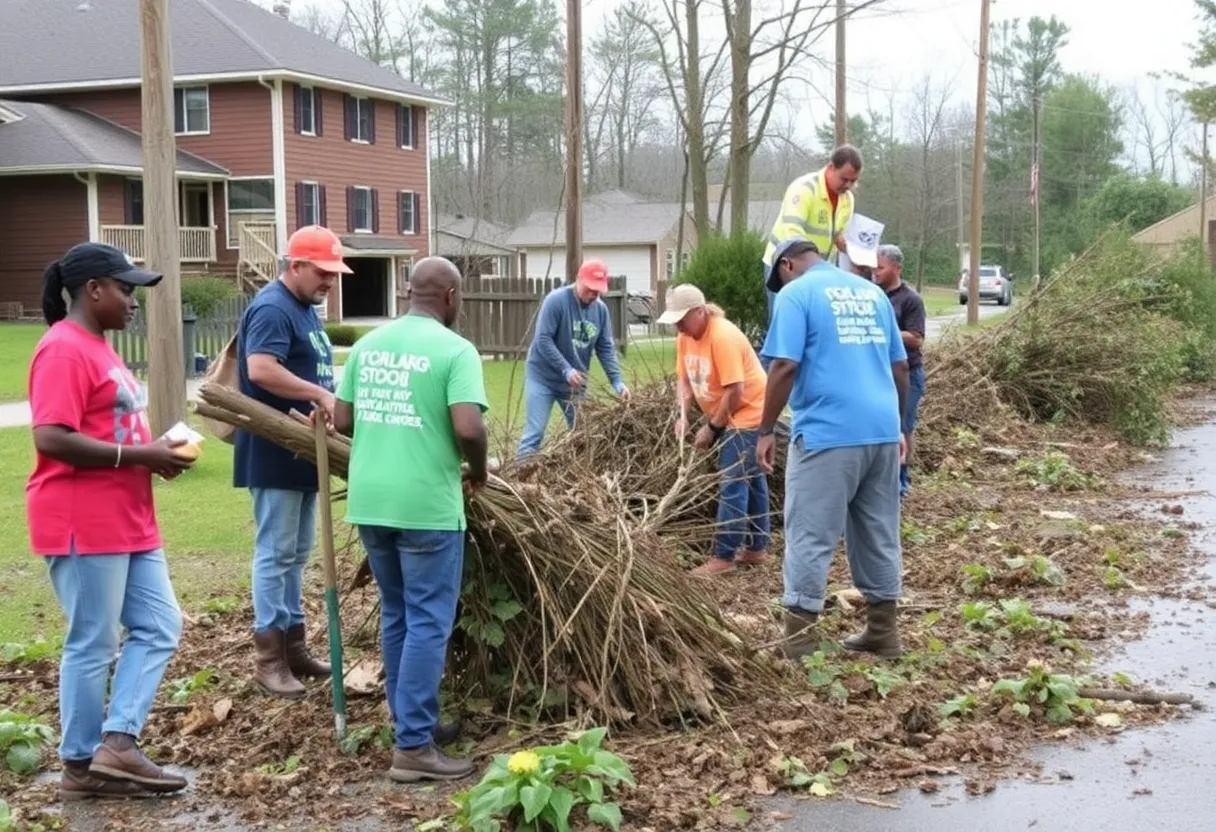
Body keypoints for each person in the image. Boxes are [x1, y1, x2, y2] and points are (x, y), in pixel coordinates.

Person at [27, 242, 193, 800]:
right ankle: (79, 766)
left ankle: (117, 743)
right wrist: (141, 457)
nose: (133, 300)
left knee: (160, 625)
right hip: (83, 518)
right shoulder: (63, 349)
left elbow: (114, 428)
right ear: (93, 289)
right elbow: (52, 436)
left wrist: (157, 453)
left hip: (129, 517)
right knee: (93, 640)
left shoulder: (100, 348)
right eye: (126, 289)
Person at [334, 257, 488, 782]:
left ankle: (409, 723)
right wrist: (480, 471)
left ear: (408, 293)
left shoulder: (369, 344)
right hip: (426, 504)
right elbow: (468, 427)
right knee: (427, 620)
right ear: (449, 296)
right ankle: (415, 747)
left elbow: (342, 419)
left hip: (371, 500)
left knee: (398, 613)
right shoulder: (456, 350)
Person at [756, 242, 910, 661]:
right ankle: (883, 632)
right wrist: (899, 426)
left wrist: (766, 429)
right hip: (880, 432)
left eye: (780, 276)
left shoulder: (796, 294)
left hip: (828, 433)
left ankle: (798, 641)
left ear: (787, 265)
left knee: (809, 532)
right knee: (878, 529)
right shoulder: (872, 292)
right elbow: (899, 366)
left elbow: (784, 366)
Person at [234, 225, 350, 698]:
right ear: (295, 265)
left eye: (333, 274)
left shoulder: (301, 308)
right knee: (276, 551)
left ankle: (294, 645)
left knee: (297, 553)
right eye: (322, 273)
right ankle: (270, 658)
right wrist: (320, 392)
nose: (330, 282)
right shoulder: (271, 307)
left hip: (303, 447)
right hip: (275, 447)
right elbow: (259, 369)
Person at [660, 284, 771, 577]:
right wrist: (682, 415)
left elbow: (736, 390)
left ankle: (723, 557)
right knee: (751, 477)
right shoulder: (686, 337)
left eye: (681, 320)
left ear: (700, 311)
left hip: (749, 410)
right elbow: (684, 380)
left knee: (732, 481)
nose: (678, 327)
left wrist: (711, 428)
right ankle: (757, 547)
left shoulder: (722, 337)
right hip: (727, 411)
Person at [517, 259, 632, 458]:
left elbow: (605, 348)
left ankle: (578, 481)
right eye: (590, 289)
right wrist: (565, 368)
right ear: (578, 280)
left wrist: (617, 381)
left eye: (598, 291)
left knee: (586, 433)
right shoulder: (556, 301)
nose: (594, 294)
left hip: (574, 385)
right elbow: (543, 339)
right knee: (535, 433)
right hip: (542, 377)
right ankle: (518, 480)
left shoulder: (601, 310)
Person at [761, 144, 863, 328]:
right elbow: (792, 232)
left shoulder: (847, 200)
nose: (848, 185)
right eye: (844, 179)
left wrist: (850, 247)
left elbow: (837, 234)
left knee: (813, 324)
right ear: (830, 167)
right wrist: (815, 266)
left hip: (818, 271)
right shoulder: (804, 189)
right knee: (783, 323)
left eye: (853, 181)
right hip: (785, 267)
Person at [873, 245, 926, 499]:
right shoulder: (874, 295)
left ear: (897, 268)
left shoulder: (910, 299)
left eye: (881, 267)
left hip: (908, 373)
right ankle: (883, 478)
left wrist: (885, 331)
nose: (876, 272)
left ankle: (902, 481)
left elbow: (916, 339)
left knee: (903, 425)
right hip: (881, 372)